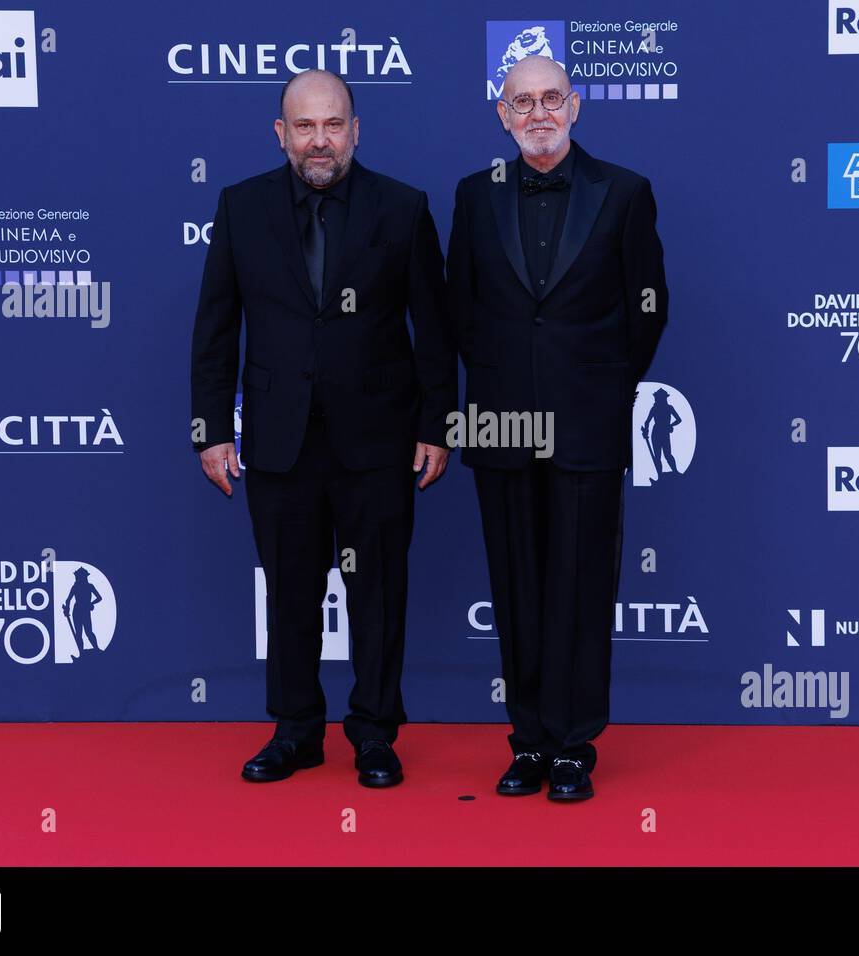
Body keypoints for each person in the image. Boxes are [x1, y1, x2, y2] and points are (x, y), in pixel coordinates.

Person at [190, 69, 456, 788]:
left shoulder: (402, 207)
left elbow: (434, 331)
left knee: (378, 593)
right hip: (280, 441)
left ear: (355, 131)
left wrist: (437, 424)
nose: (319, 140)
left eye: (333, 124)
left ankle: (375, 733)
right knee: (290, 592)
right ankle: (296, 731)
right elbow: (216, 330)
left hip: (378, 440)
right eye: (304, 126)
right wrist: (211, 430)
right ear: (281, 134)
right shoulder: (241, 207)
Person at [446, 55, 668, 800]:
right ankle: (530, 740)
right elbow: (460, 309)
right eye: (522, 102)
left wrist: (600, 386)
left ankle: (575, 744)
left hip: (587, 420)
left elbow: (647, 306)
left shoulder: (625, 191)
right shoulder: (474, 194)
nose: (537, 113)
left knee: (580, 583)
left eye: (550, 98)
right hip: (502, 422)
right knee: (516, 587)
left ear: (575, 106)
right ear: (501, 114)